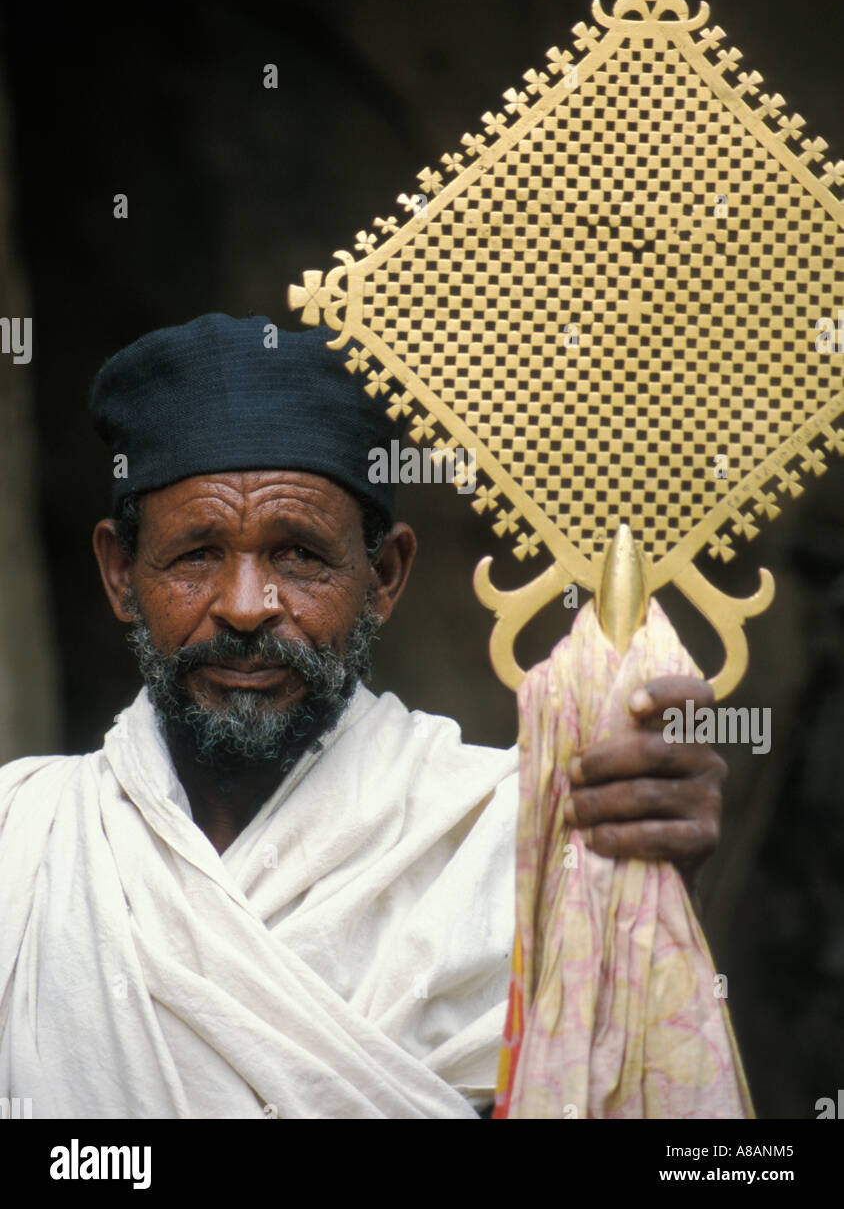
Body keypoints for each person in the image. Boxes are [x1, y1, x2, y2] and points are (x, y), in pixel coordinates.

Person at [0, 313, 723, 1119]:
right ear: (121, 575)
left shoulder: (515, 835)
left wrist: (638, 888)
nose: (247, 608)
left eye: (299, 555)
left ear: (384, 575)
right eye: (197, 555)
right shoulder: (23, 844)